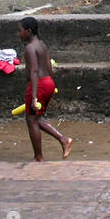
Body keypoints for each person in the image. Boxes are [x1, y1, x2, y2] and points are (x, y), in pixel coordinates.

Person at [18, 16, 73, 162]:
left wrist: (34, 96)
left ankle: (39, 157)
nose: (19, 34)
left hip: (39, 84)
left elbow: (34, 71)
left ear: (28, 31)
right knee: (36, 118)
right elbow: (48, 65)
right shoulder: (41, 45)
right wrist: (51, 83)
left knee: (31, 120)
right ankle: (63, 140)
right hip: (48, 82)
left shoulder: (30, 48)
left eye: (20, 31)